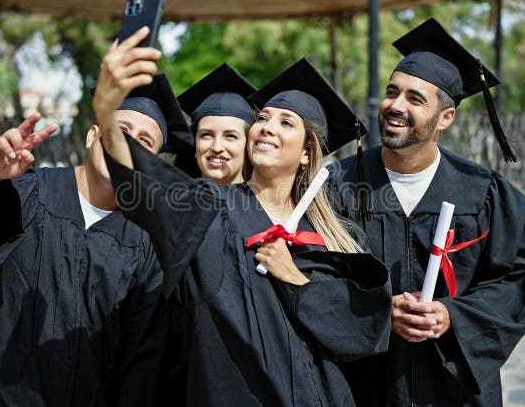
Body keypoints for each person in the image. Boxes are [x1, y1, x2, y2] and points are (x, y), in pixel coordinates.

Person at [94, 41, 392, 407]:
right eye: (262, 118)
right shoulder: (211, 208)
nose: (266, 127)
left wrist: (296, 279)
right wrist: (107, 113)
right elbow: (147, 180)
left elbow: (362, 335)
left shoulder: (333, 237)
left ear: (305, 153)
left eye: (285, 122)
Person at [0, 35, 192, 406]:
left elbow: (142, 367)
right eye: (120, 132)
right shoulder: (27, 195)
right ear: (92, 135)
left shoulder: (146, 245)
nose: (128, 146)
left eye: (144, 142)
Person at [329, 18, 525, 406]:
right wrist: (376, 313)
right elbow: (310, 279)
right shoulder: (339, 186)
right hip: (366, 386)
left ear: (445, 118)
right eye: (392, 92)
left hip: (455, 391)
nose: (396, 106)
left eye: (415, 98)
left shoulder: (484, 193)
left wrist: (452, 316)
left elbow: (519, 281)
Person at [177, 62, 257, 185]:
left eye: (231, 136)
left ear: (248, 147)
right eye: (206, 135)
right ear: (194, 143)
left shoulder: (263, 203)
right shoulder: (170, 201)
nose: (217, 147)